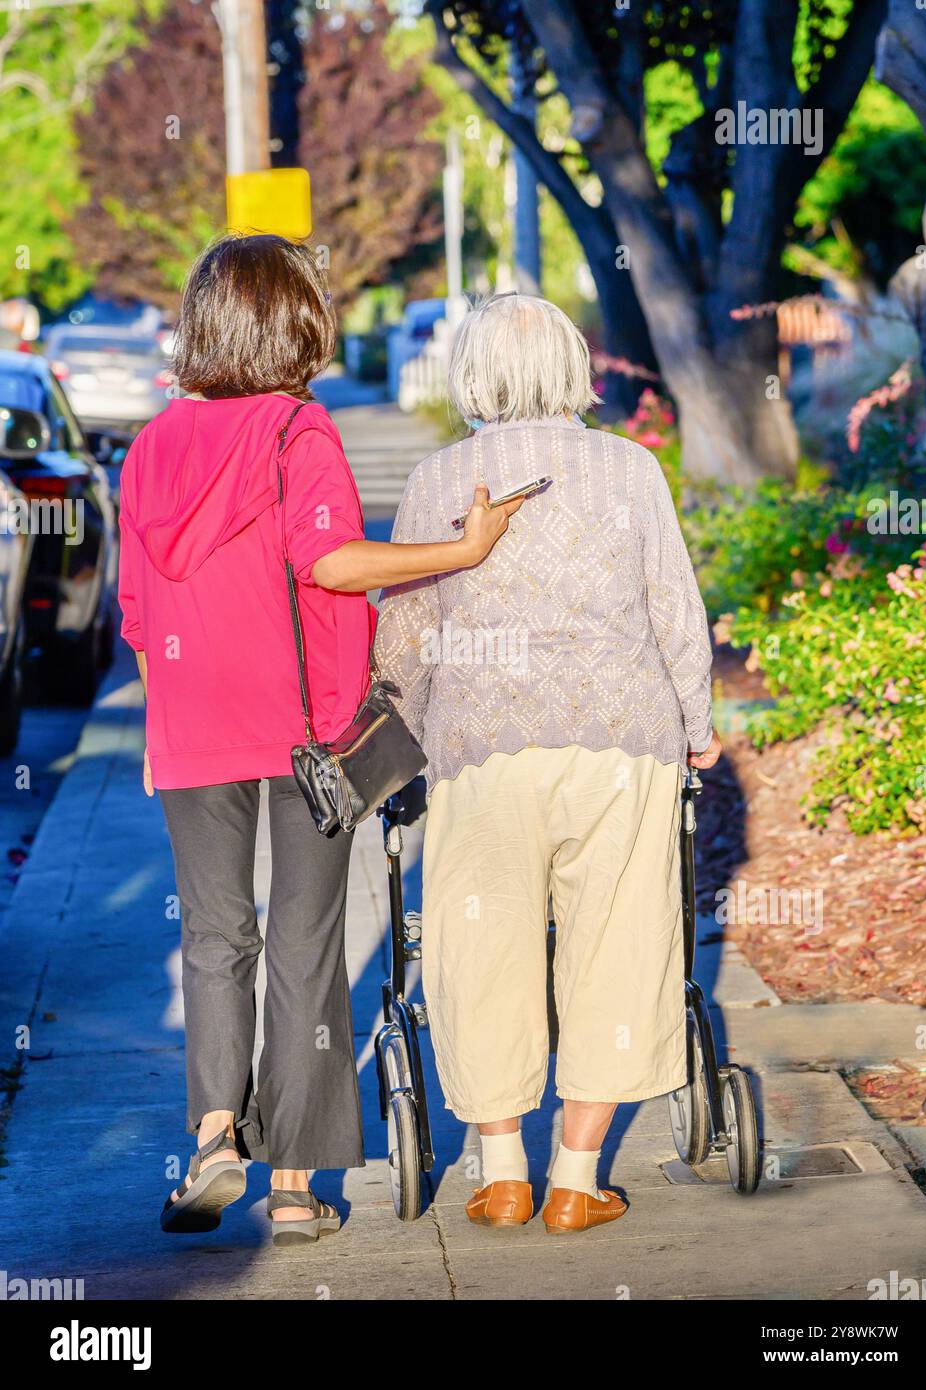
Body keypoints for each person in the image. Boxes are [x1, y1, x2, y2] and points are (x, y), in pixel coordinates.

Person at [118, 235, 522, 1245]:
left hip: (192, 722)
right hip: (309, 730)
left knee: (214, 940)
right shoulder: (300, 431)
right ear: (294, 320)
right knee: (306, 946)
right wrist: (461, 550)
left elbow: (133, 610)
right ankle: (294, 1188)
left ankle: (216, 1139)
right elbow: (333, 562)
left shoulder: (150, 446)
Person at [375, 292, 721, 1234]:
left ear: (475, 376)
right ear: (574, 369)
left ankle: (500, 1176)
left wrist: (393, 738)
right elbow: (674, 614)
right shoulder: (630, 470)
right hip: (621, 741)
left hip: (482, 746)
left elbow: (405, 633)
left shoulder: (440, 475)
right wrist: (698, 724)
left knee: (480, 947)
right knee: (619, 943)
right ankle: (575, 1179)